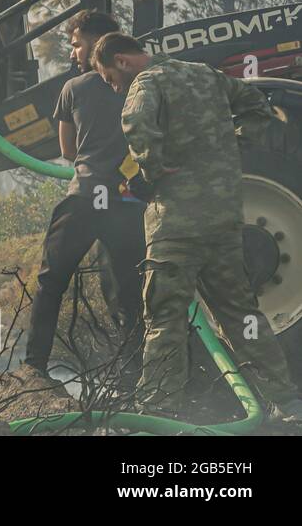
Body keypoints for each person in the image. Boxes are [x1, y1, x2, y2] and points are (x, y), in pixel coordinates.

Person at [92, 32, 302, 420]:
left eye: (109, 78)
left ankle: (157, 411)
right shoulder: (206, 75)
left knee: (165, 317)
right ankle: (288, 402)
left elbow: (136, 121)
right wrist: (233, 148)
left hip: (176, 226)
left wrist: (152, 167)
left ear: (121, 61)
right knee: (242, 315)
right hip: (222, 222)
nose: (113, 86)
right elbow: (258, 103)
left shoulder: (146, 83)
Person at [21, 12, 145, 381]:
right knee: (129, 293)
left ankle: (34, 367)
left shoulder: (74, 89)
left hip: (86, 197)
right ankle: (134, 376)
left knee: (51, 282)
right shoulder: (141, 84)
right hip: (128, 202)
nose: (74, 53)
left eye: (76, 44)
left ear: (96, 42)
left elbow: (69, 151)